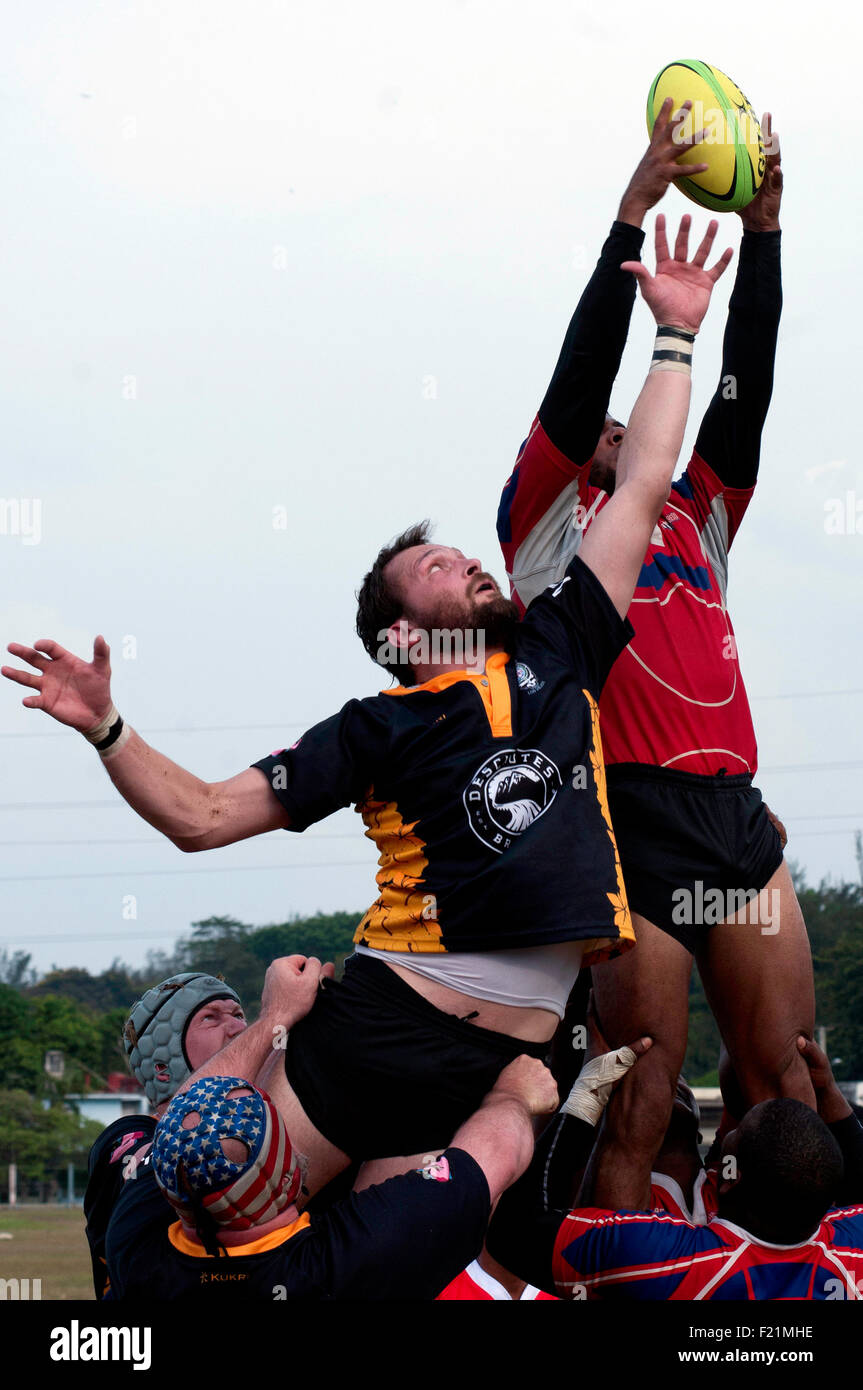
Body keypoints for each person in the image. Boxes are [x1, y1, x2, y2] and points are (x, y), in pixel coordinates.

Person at [3, 212, 731, 1197]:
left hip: (500, 1066)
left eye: (464, 554)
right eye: (437, 565)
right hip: (379, 1034)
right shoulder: (372, 728)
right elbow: (202, 817)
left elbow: (642, 480)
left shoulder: (560, 646)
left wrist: (675, 334)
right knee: (229, 1215)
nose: (470, 561)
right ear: (401, 635)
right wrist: (103, 725)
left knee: (425, 1271)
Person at [496, 104, 815, 1204]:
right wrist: (628, 219)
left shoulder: (699, 516)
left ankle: (793, 1279)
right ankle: (619, 1283)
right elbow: (576, 385)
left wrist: (764, 235)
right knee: (642, 1094)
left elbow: (747, 389)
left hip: (734, 825)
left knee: (791, 1088)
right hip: (629, 834)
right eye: (611, 422)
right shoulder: (544, 529)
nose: (631, 427)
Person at [104, 954, 560, 1301]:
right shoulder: (352, 1257)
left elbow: (185, 1117)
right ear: (290, 1175)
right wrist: (514, 1097)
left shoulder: (140, 1237)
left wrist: (276, 1017)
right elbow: (487, 1160)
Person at [488, 1035, 863, 1301]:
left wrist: (586, 1097)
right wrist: (829, 1094)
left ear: (728, 1178)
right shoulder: (852, 1250)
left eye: (729, 1137)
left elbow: (512, 1231)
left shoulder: (661, 1262)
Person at [83, 971, 246, 1298]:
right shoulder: (127, 1138)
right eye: (210, 1018)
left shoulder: (264, 1133)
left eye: (240, 1015)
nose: (240, 1029)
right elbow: (179, 1159)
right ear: (162, 1066)